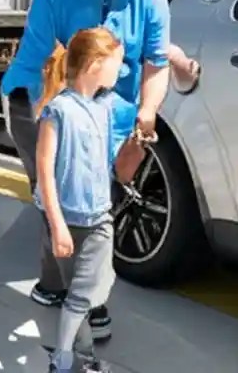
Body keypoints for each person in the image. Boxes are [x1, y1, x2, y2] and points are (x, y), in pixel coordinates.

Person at [1, 0, 172, 341]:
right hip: (44, 100)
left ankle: (54, 286)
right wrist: (62, 136)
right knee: (69, 201)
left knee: (90, 207)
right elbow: (45, 63)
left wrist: (146, 115)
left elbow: (156, 64)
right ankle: (90, 300)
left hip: (111, 117)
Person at [33, 27, 150, 373]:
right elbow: (44, 170)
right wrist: (57, 227)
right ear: (95, 64)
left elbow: (120, 167)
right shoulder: (58, 112)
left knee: (83, 294)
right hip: (67, 219)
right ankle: (66, 360)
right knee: (80, 296)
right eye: (117, 63)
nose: (122, 72)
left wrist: (139, 142)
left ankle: (73, 358)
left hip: (99, 217)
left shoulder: (106, 108)